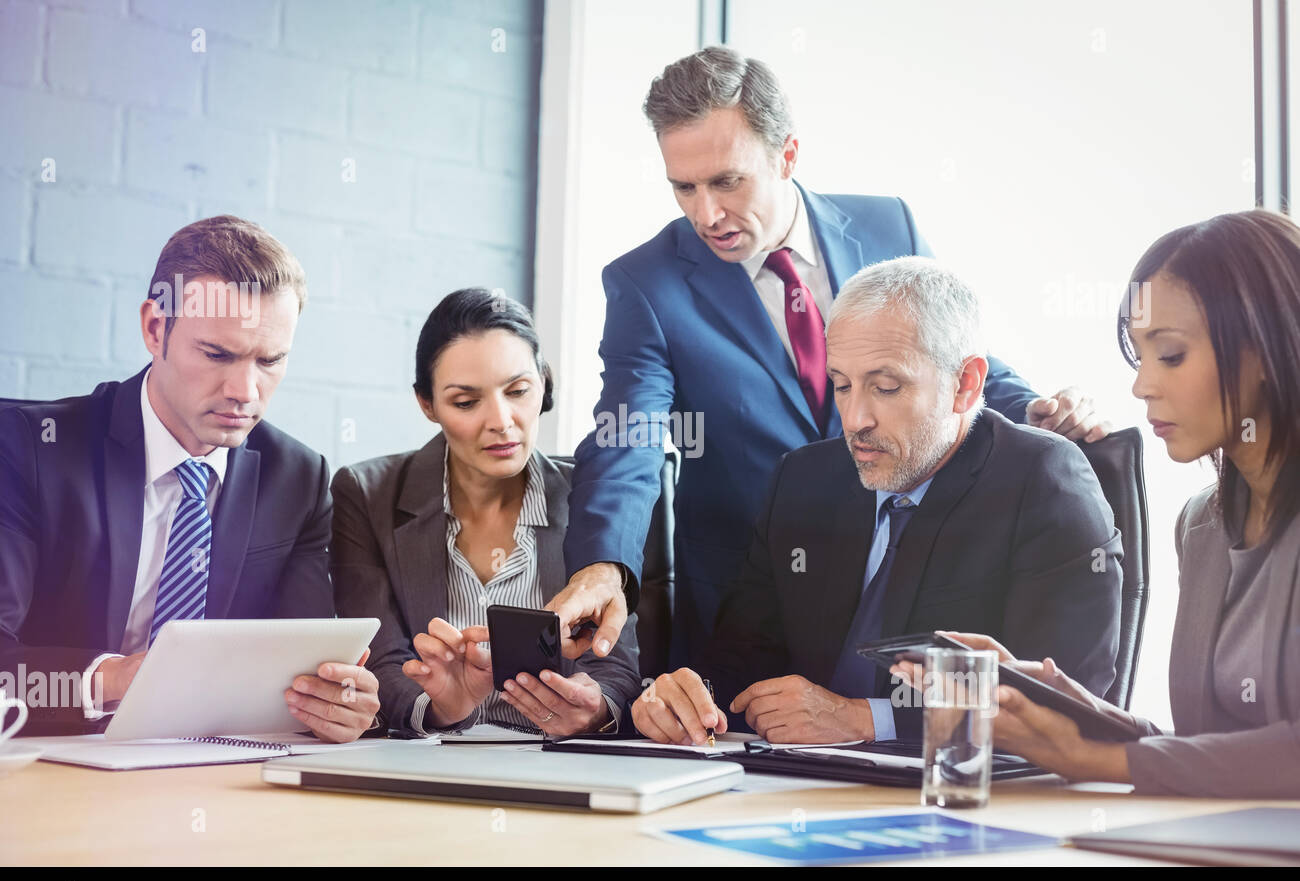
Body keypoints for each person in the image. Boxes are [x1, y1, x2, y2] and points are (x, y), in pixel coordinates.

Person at [548, 46, 1111, 674]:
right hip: (755, 610)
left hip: (897, 577)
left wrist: (1032, 405)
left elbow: (947, 350)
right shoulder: (647, 284)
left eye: (727, 181)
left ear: (786, 155)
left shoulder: (886, 224)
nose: (706, 213)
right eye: (684, 187)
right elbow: (630, 437)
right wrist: (604, 565)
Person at [892, 209, 1300, 797]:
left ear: (1263, 349)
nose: (1142, 386)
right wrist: (1067, 704)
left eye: (1172, 355)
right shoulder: (1204, 526)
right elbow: (1209, 753)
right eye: (1140, 357)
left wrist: (1092, 761)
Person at [631, 256, 1122, 745]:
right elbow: (742, 657)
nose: (854, 419)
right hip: (794, 785)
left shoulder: (1044, 480)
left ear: (965, 384)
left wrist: (867, 720)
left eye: (886, 387)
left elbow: (1062, 704)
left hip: (955, 799)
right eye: (841, 385)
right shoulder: (802, 479)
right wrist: (691, 696)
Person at [0, 215, 379, 740]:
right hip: (48, 761)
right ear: (156, 330)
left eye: (270, 360)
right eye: (217, 354)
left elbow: (303, 667)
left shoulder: (298, 480)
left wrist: (334, 706)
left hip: (213, 771)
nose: (245, 390)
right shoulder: (29, 448)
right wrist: (116, 678)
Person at [330, 289, 641, 737]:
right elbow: (380, 662)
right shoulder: (366, 494)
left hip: (558, 760)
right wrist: (439, 708)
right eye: (465, 402)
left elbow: (615, 666)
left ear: (544, 385)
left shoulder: (595, 497)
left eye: (518, 391)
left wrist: (593, 710)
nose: (501, 420)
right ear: (427, 404)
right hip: (429, 759)